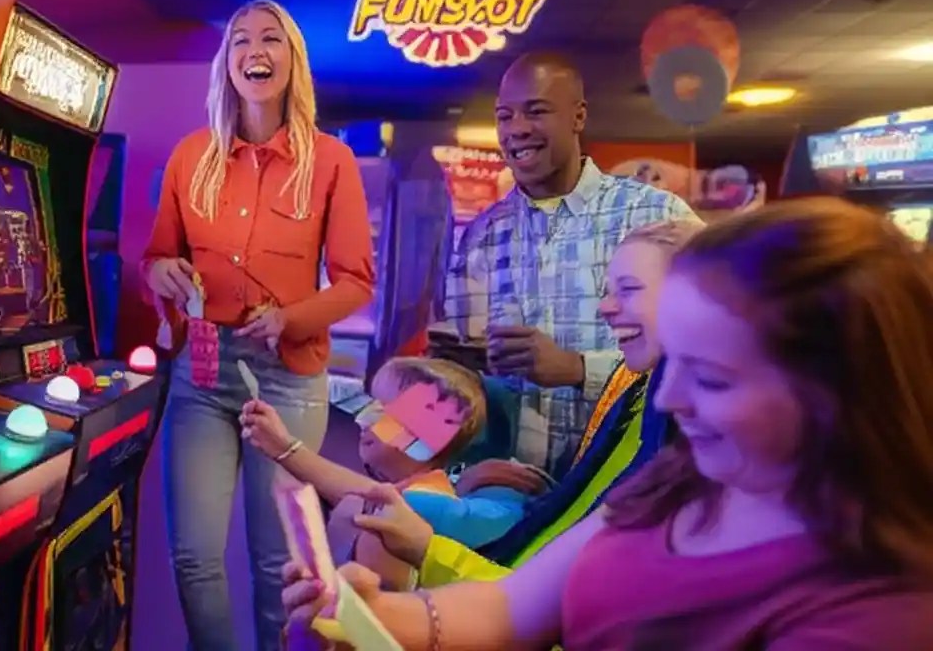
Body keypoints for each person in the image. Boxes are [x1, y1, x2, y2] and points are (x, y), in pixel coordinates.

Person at [284, 198, 933, 649]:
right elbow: (510, 609)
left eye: (710, 377)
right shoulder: (685, 477)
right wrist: (375, 615)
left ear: (830, 390)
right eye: (673, 361)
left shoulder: (876, 606)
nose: (671, 397)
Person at [141, 0, 374, 651]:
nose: (254, 51)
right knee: (193, 558)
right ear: (228, 65)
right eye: (240, 41)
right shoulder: (193, 156)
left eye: (271, 39)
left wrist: (290, 318)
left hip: (289, 380)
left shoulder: (330, 161)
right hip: (201, 370)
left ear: (292, 61)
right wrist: (159, 273)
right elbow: (157, 256)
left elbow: (356, 280)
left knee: (278, 568)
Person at [358, 220, 703, 586]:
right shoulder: (638, 396)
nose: (605, 307)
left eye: (629, 289)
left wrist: (291, 452)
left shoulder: (673, 424)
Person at [442, 52, 699, 478]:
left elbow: (708, 347)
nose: (517, 128)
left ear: (578, 117)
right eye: (504, 116)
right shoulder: (482, 235)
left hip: (633, 485)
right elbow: (466, 367)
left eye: (536, 111)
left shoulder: (656, 215)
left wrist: (579, 369)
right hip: (514, 494)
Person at [240, 357, 541, 589]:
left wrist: (285, 448)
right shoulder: (437, 493)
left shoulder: (424, 504)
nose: (362, 420)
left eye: (384, 411)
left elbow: (375, 498)